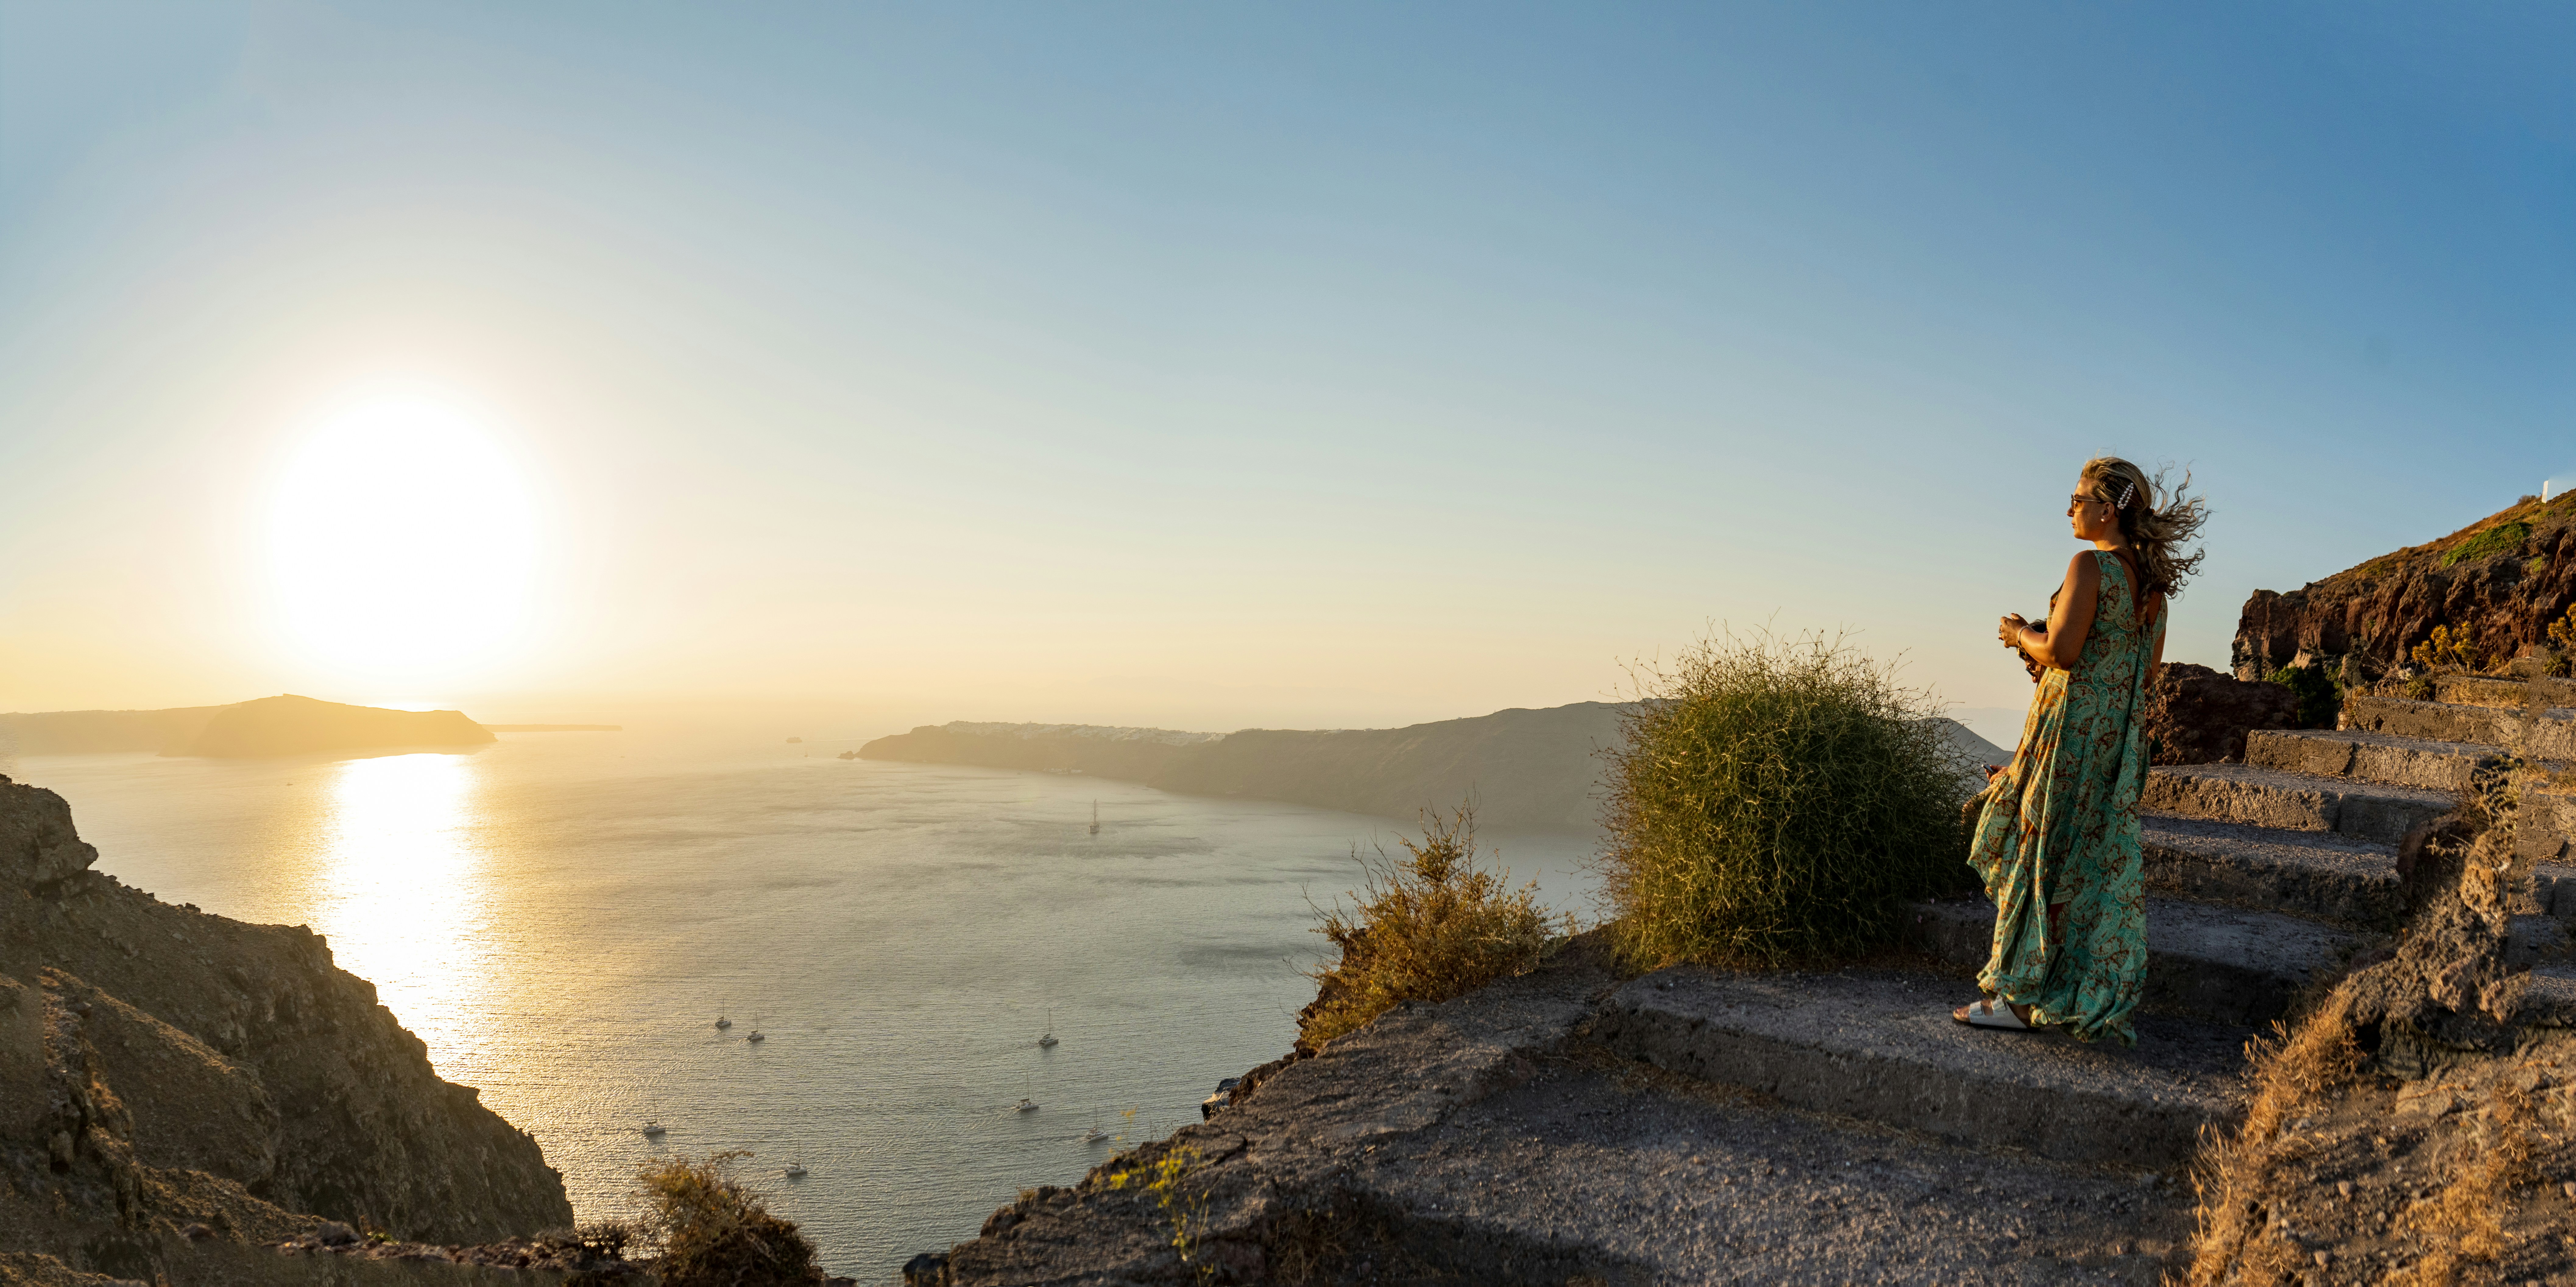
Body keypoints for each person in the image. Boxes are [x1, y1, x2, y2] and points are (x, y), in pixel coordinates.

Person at [1953, 457, 2206, 1045]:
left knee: (2037, 851)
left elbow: (2064, 651)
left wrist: (2019, 635)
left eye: (2076, 498)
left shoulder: (2089, 566)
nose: (2069, 509)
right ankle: (2062, 986)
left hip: (2070, 735)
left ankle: (2015, 997)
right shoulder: (2152, 593)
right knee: (2084, 867)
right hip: (2114, 747)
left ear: (2107, 509)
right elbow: (2141, 678)